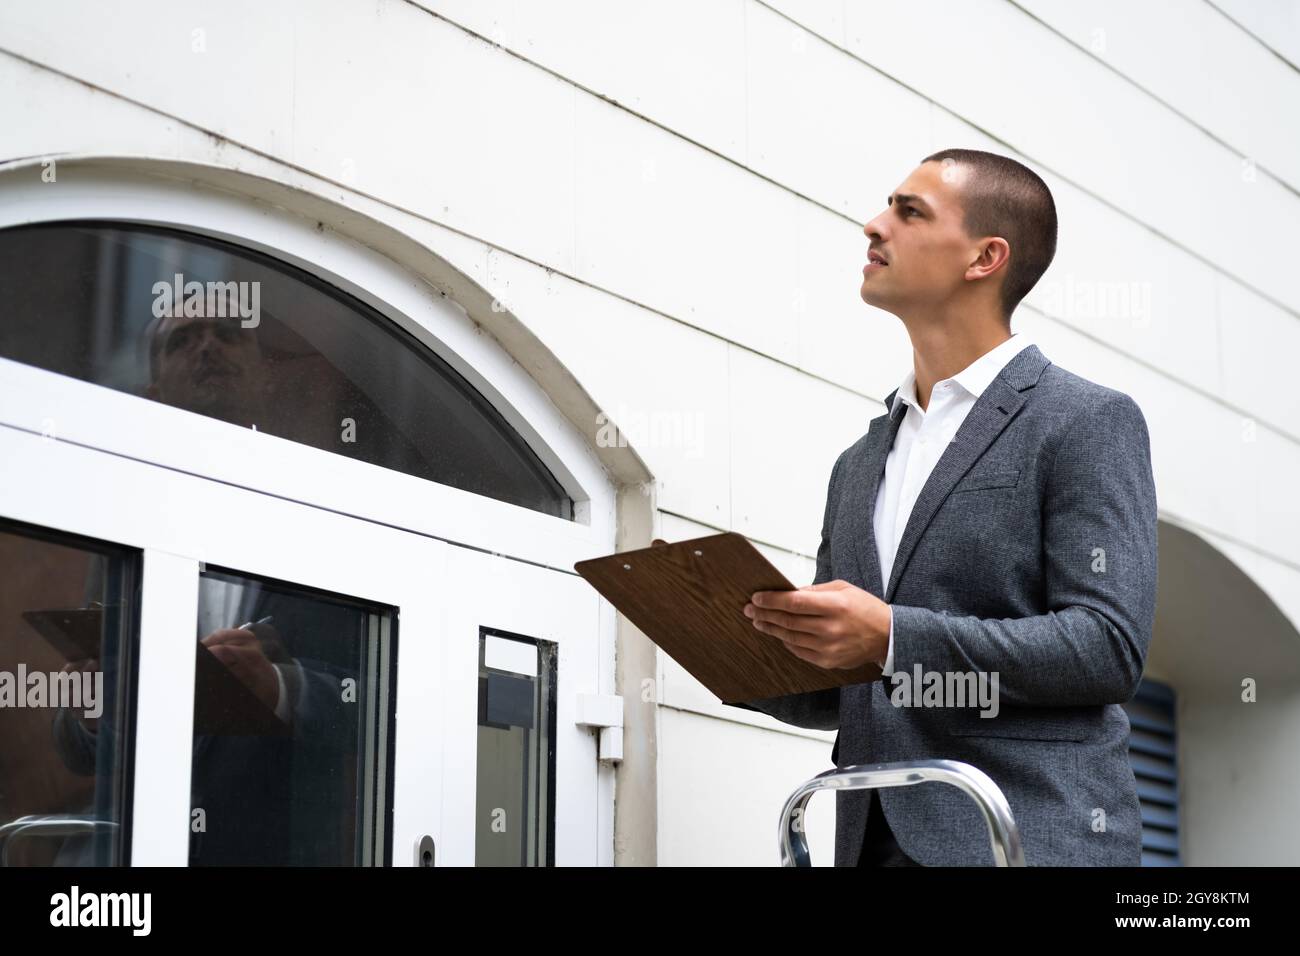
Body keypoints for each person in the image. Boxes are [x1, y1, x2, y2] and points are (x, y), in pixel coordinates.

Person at [734, 148, 1157, 867]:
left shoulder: (1084, 421)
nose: (874, 226)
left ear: (985, 257)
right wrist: (735, 649)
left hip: (1023, 838)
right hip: (871, 841)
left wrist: (894, 635)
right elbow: (857, 686)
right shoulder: (859, 465)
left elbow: (1105, 648)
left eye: (909, 212)